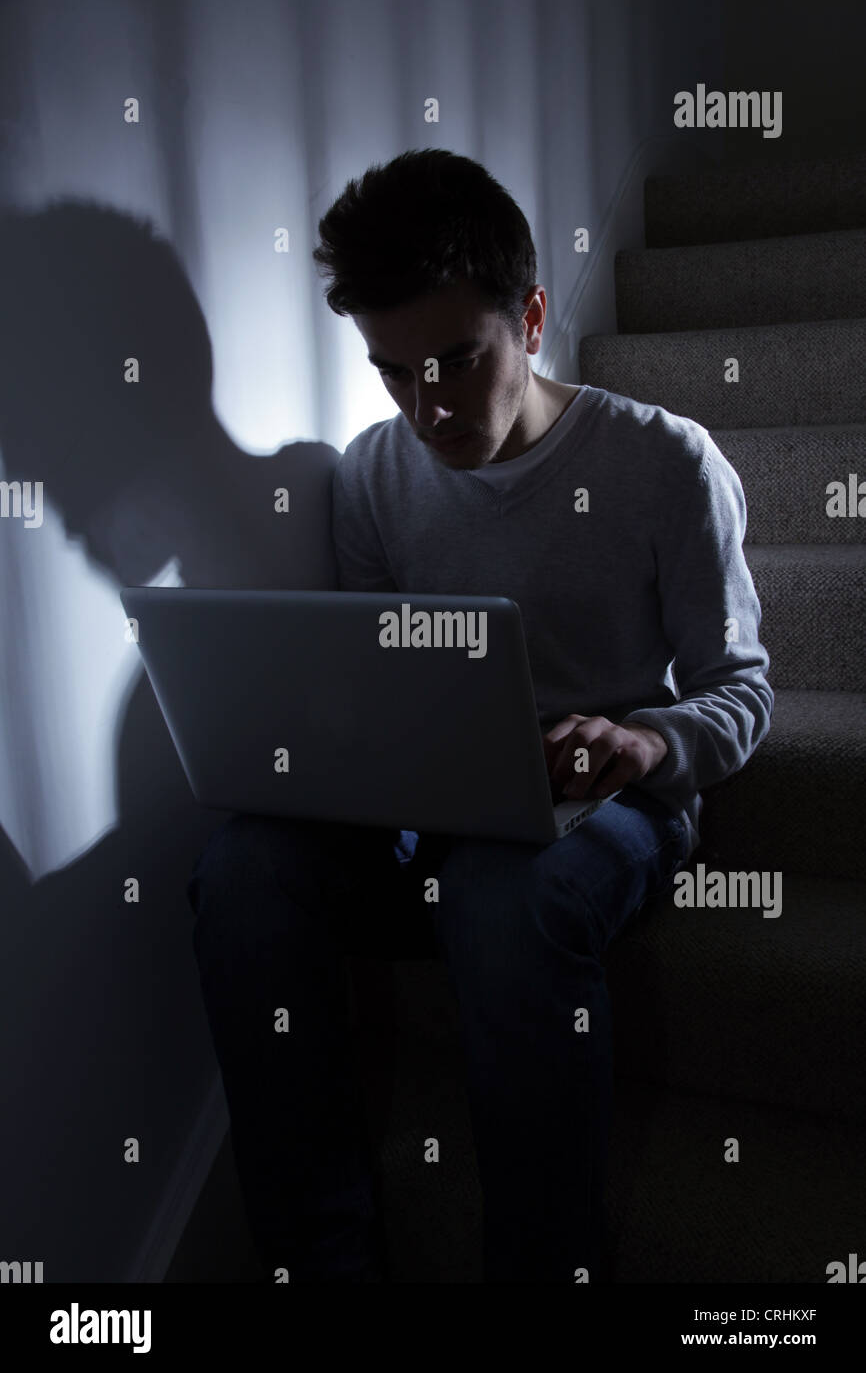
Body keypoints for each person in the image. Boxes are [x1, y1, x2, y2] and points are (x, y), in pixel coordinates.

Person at [187, 147, 773, 1283]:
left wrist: (643, 741)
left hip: (609, 805)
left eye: (459, 359)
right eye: (393, 373)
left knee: (503, 895)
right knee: (242, 871)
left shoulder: (666, 464)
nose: (431, 406)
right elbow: (373, 676)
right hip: (433, 804)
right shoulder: (370, 475)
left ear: (534, 317)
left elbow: (740, 690)